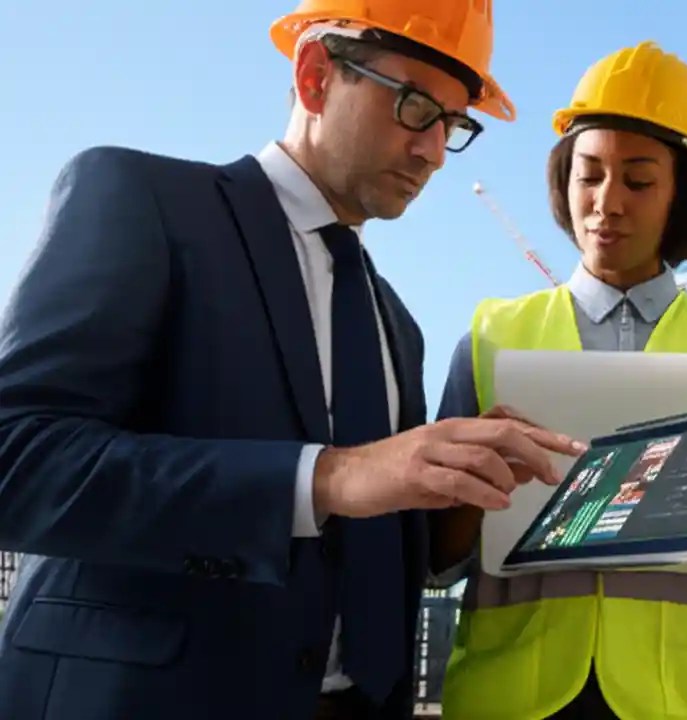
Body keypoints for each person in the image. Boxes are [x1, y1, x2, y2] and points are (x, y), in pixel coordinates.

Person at [0, 2, 584, 719]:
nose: (433, 151)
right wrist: (331, 474)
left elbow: (376, 542)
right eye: (416, 107)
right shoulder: (144, 201)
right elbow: (17, 461)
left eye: (454, 126)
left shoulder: (395, 324)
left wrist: (459, 486)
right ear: (314, 76)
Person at [428, 40, 687, 720]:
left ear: (682, 194)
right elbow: (435, 558)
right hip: (517, 695)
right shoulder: (489, 339)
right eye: (588, 175)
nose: (606, 203)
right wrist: (478, 481)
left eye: (639, 180)